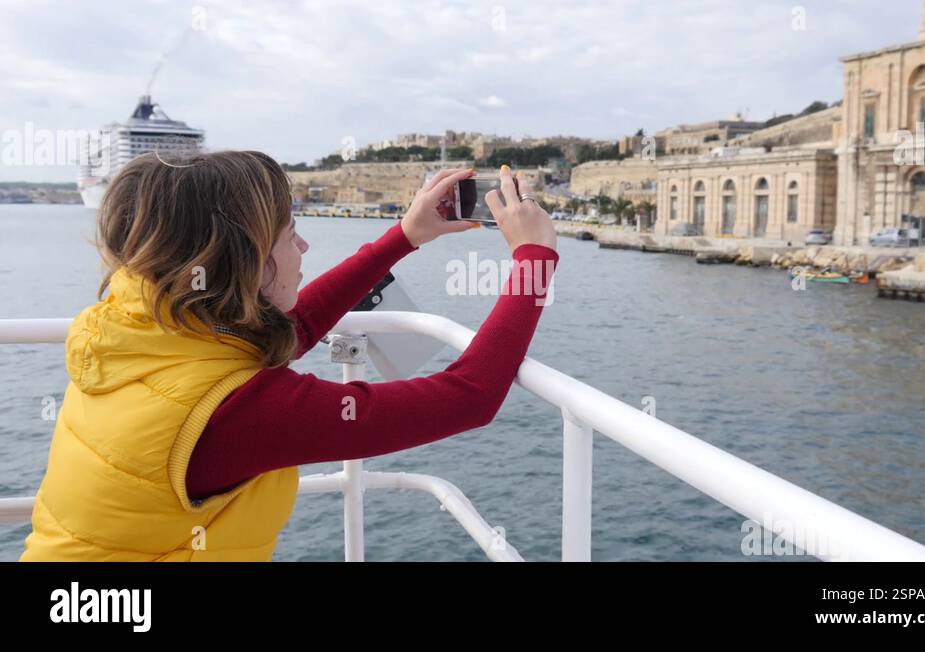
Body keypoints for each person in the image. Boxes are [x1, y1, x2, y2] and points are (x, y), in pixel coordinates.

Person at [20, 152, 558, 561]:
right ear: (242, 262)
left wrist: (405, 237)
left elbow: (283, 333)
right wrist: (534, 257)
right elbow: (468, 398)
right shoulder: (231, 414)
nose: (303, 250)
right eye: (290, 234)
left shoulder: (138, 326)